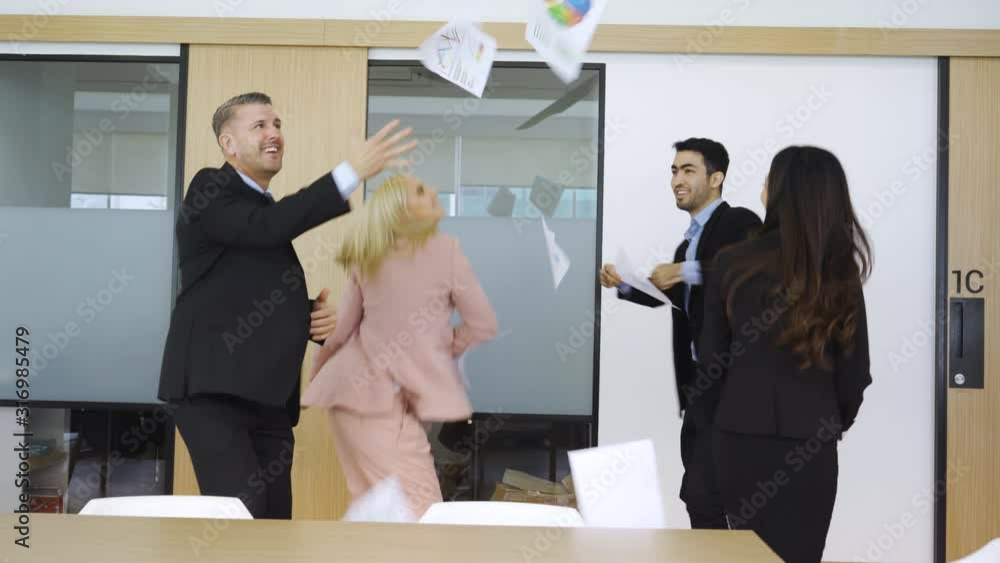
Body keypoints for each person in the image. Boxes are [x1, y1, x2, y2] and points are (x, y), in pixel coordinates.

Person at [157, 92, 416, 519]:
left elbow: (245, 283)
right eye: (259, 125)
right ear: (229, 145)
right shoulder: (210, 187)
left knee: (275, 522)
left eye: (277, 124)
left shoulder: (261, 211)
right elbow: (266, 231)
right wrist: (350, 175)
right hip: (213, 391)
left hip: (270, 401)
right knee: (244, 516)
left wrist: (310, 315)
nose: (274, 133)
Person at [699, 146, 873, 562]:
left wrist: (719, 425)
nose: (761, 188)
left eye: (768, 181)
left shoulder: (731, 263)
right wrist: (828, 419)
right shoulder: (838, 270)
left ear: (781, 193)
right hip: (810, 443)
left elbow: (710, 364)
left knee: (746, 555)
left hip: (738, 441)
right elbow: (855, 374)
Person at [301, 174, 498, 519]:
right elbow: (482, 324)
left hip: (348, 401)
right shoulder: (444, 253)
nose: (434, 190)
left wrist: (316, 385)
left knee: (377, 508)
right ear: (400, 212)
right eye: (421, 191)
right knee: (420, 511)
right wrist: (443, 347)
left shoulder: (371, 257)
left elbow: (340, 335)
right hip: (384, 402)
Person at [598, 138, 761, 529]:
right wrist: (622, 284)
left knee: (734, 499)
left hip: (735, 388)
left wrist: (683, 271)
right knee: (701, 498)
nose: (676, 179)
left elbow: (750, 268)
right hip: (700, 389)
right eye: (674, 170)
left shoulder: (739, 222)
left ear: (716, 178)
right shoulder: (686, 244)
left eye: (688, 170)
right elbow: (673, 301)